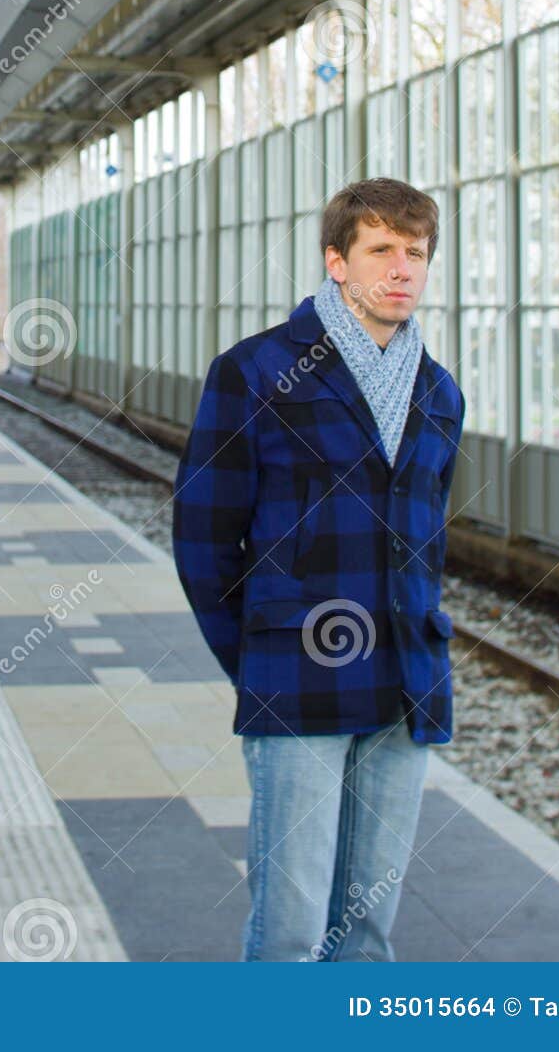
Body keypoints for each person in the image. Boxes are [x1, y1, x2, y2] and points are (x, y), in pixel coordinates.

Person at [173, 178, 465, 962]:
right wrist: (257, 657)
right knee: (290, 937)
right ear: (337, 262)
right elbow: (203, 537)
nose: (401, 269)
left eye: (416, 253)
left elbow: (424, 542)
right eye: (381, 250)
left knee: (367, 937)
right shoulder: (256, 372)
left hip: (405, 682)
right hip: (297, 679)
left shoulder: (438, 393)